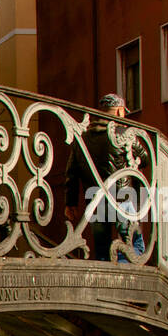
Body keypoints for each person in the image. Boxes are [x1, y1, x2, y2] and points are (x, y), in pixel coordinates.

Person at [63, 93, 146, 263]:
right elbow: (145, 158)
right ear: (119, 112)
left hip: (95, 199)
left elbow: (71, 172)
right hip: (122, 197)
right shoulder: (124, 133)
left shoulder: (83, 138)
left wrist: (70, 203)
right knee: (134, 246)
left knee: (102, 250)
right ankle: (125, 279)